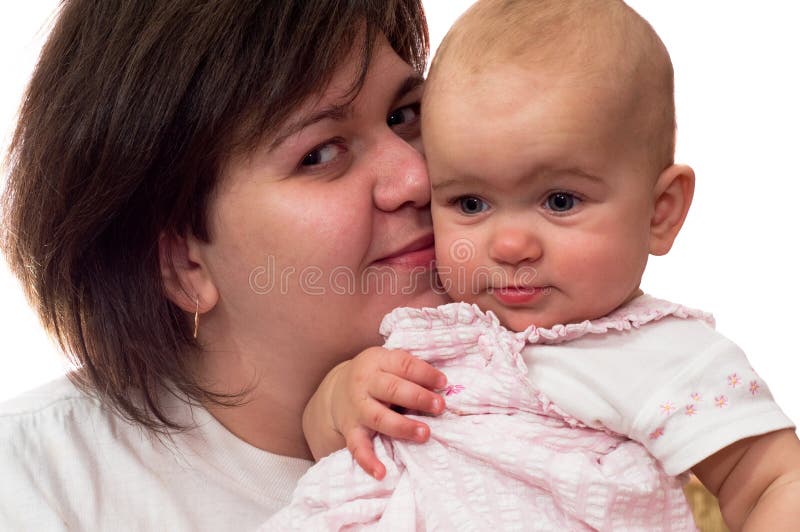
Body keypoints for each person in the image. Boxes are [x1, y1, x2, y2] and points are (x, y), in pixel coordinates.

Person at [267, 0, 800, 530]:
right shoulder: (427, 325)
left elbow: (774, 483)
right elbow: (328, 445)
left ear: (660, 213)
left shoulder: (665, 356)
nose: (511, 245)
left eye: (560, 201)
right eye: (471, 204)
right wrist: (343, 394)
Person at [0, 0, 451, 529]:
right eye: (321, 154)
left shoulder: (549, 371)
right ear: (182, 265)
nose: (416, 177)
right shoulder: (32, 489)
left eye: (404, 116)